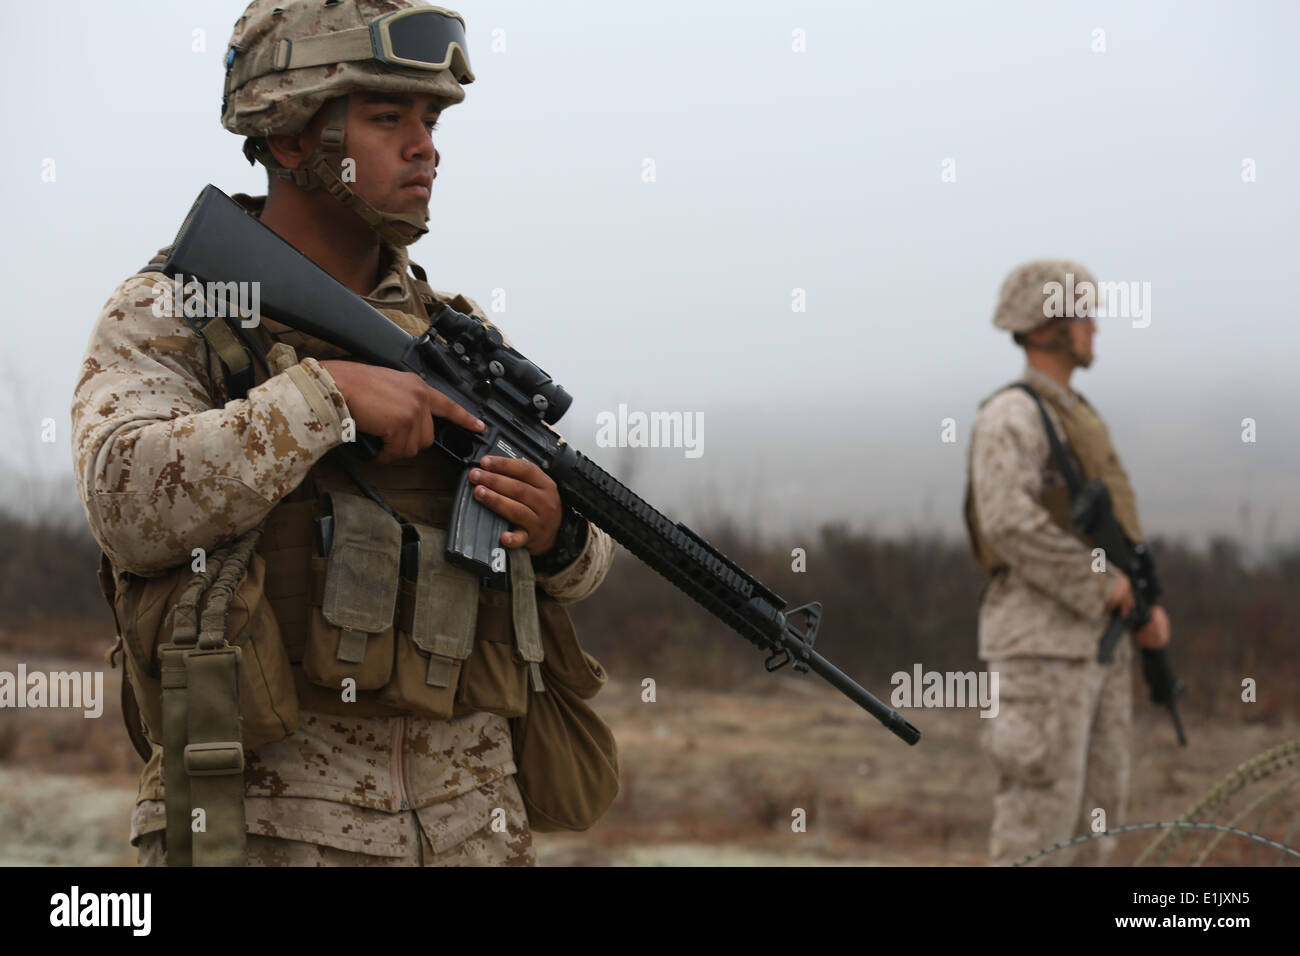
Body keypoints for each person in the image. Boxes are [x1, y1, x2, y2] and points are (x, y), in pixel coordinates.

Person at [70, 0, 616, 866]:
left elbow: (588, 564)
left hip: (476, 831)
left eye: (431, 119)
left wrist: (556, 535)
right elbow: (124, 497)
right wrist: (322, 403)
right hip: (265, 832)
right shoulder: (181, 309)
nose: (424, 145)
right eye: (388, 116)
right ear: (290, 137)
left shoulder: (458, 338)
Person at [964, 259, 1172, 866]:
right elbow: (1007, 524)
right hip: (1041, 649)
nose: (1095, 329)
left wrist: (1140, 604)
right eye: (1083, 314)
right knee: (1039, 835)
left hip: (1095, 646)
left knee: (1094, 835)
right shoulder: (1012, 416)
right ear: (1044, 326)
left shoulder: (1073, 415)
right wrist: (1100, 584)